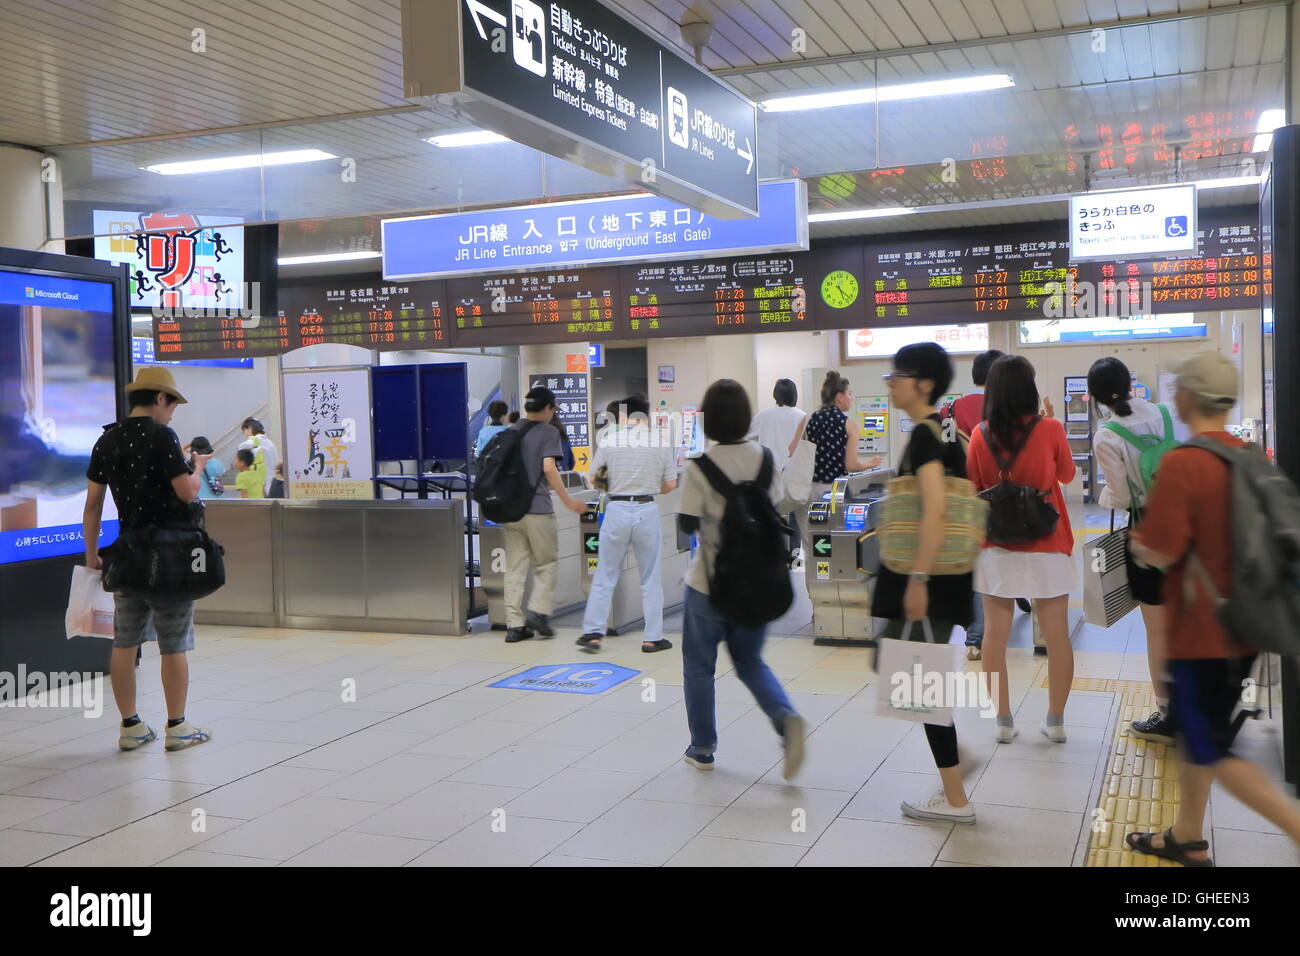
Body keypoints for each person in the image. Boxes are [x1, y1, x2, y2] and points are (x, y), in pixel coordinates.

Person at [1128, 352, 1300, 865]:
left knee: (1210, 748)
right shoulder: (1248, 456)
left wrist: (1140, 542)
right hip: (1244, 625)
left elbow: (1159, 550)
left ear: (1185, 398)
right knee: (1197, 733)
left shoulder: (1185, 463)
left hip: (1201, 633)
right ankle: (1187, 837)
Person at [678, 379, 805, 778]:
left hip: (708, 584)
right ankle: (785, 719)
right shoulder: (765, 459)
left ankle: (702, 748)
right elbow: (782, 504)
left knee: (699, 667)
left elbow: (685, 523)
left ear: (709, 419)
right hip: (757, 581)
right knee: (749, 661)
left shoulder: (699, 466)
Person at [82, 367, 212, 753]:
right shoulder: (162, 435)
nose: (172, 413)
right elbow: (187, 493)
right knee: (174, 643)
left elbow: (92, 505)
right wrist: (197, 468)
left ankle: (131, 727)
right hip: (170, 557)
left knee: (124, 642)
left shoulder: (107, 439)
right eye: (172, 404)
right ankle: (178, 727)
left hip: (125, 557)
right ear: (159, 398)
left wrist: (92, 556)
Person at [872, 343, 977, 823]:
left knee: (917, 686)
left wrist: (917, 578)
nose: (890, 381)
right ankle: (957, 763)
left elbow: (935, 508)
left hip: (926, 578)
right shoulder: (949, 433)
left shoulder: (924, 437)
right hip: (946, 576)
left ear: (925, 384)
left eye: (899, 374)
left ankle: (956, 798)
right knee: (909, 677)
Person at [967, 354, 1076, 744]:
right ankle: (1056, 721)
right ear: (1029, 388)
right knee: (1057, 636)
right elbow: (1066, 474)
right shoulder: (1051, 428)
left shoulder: (980, 434)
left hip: (998, 544)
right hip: (1048, 541)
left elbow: (974, 484)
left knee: (994, 637)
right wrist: (1048, 425)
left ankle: (1003, 722)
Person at [1088, 356, 1189, 746]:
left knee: (1158, 630)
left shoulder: (1107, 435)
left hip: (1147, 535)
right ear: (1130, 384)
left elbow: (1120, 495)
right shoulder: (1165, 414)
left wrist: (1103, 497)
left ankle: (1168, 715)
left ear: (1095, 397)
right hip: (1184, 527)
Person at [578, 395, 678, 654]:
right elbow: (670, 485)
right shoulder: (660, 442)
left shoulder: (610, 441)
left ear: (624, 415)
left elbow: (594, 480)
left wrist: (618, 484)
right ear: (646, 415)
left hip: (617, 510)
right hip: (646, 509)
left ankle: (593, 634)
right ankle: (652, 638)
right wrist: (646, 485)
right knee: (650, 577)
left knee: (606, 573)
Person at [502, 386, 586, 644]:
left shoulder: (511, 430)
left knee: (515, 568)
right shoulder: (548, 432)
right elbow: (549, 468)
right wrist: (568, 501)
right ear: (548, 408)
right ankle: (538, 611)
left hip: (511, 510)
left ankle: (515, 625)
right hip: (537, 508)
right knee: (546, 563)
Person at [748, 378, 808, 558]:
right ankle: (795, 555)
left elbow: (746, 436)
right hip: (793, 474)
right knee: (796, 517)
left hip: (769, 474)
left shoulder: (762, 415)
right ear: (794, 395)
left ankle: (773, 554)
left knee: (771, 516)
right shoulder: (801, 416)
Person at [804, 370, 883, 504]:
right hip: (836, 489)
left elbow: (798, 450)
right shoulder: (849, 425)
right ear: (840, 397)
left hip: (810, 489)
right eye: (850, 393)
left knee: (814, 524)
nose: (851, 398)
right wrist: (871, 463)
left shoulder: (810, 419)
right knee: (836, 524)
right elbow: (851, 465)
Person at [238, 417, 278, 496]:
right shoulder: (270, 443)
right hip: (272, 482)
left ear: (249, 428)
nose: (245, 435)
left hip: (260, 483)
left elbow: (242, 446)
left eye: (244, 431)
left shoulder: (254, 440)